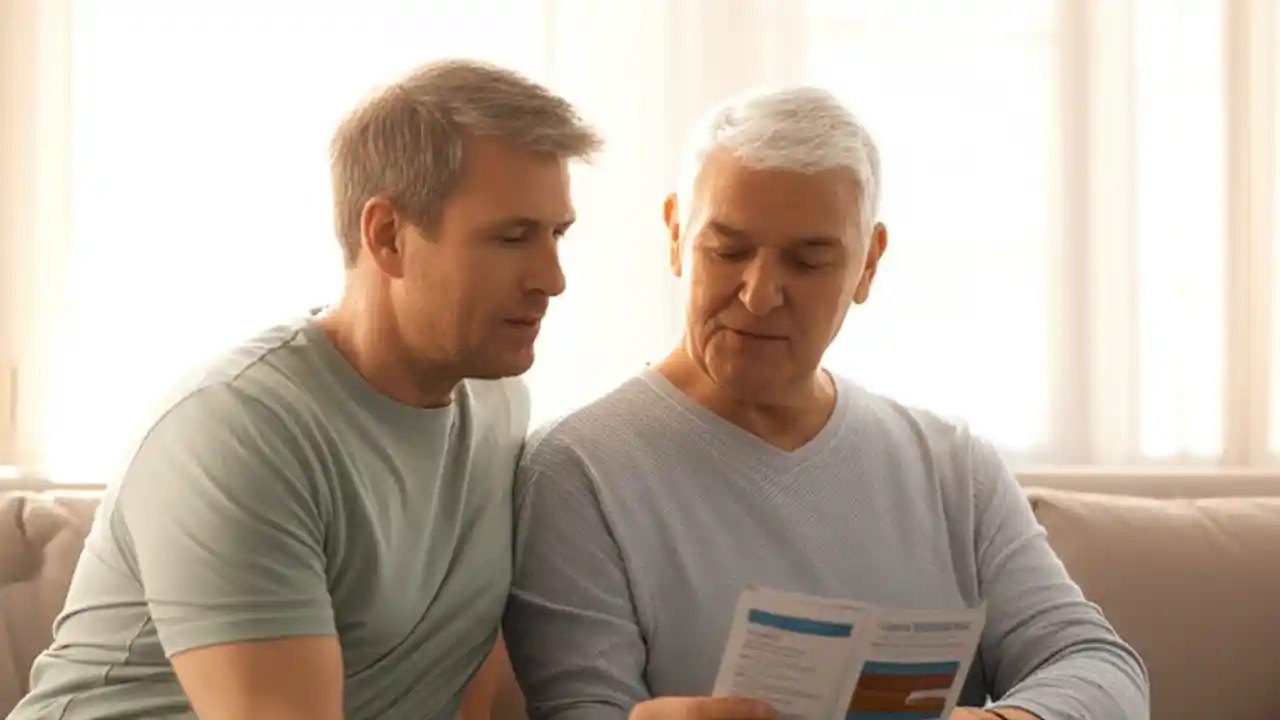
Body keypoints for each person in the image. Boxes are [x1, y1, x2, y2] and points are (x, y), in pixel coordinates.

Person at [502, 86, 1149, 720]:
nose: (758, 295)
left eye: (808, 261)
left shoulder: (952, 467)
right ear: (675, 234)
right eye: (727, 251)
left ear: (867, 264)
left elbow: (1097, 665)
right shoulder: (576, 470)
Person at [10, 59, 601, 720]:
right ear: (388, 237)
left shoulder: (497, 403)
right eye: (512, 238)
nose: (552, 278)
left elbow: (458, 666)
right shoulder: (239, 431)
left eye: (557, 234)